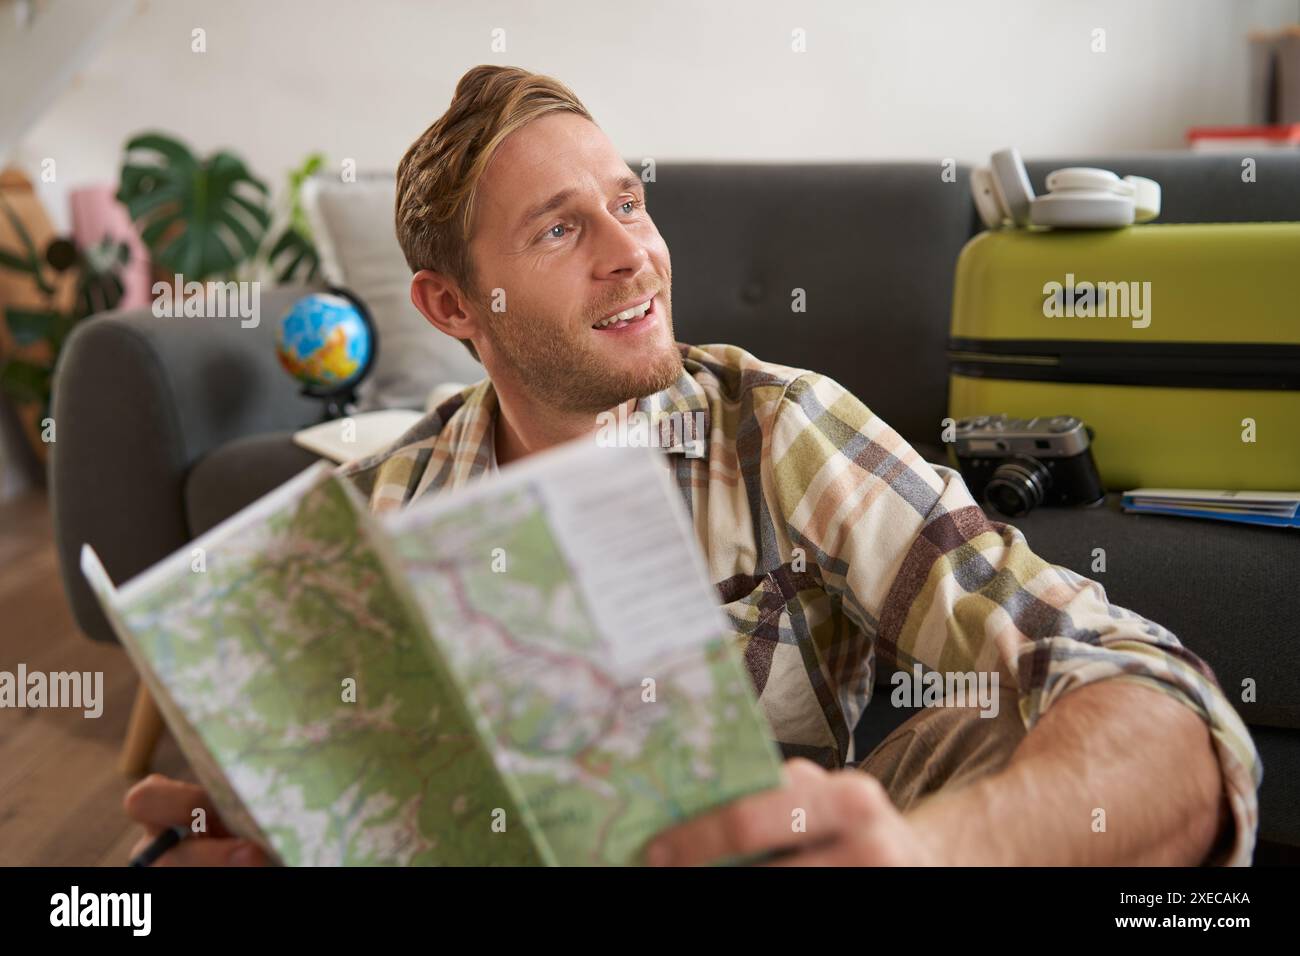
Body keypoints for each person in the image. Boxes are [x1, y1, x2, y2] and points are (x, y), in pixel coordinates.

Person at [125, 65, 1260, 867]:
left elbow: (1145, 682)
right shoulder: (384, 501)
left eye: (628, 202)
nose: (635, 255)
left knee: (1033, 725)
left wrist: (926, 848)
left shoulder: (780, 426)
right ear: (452, 305)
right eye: (562, 231)